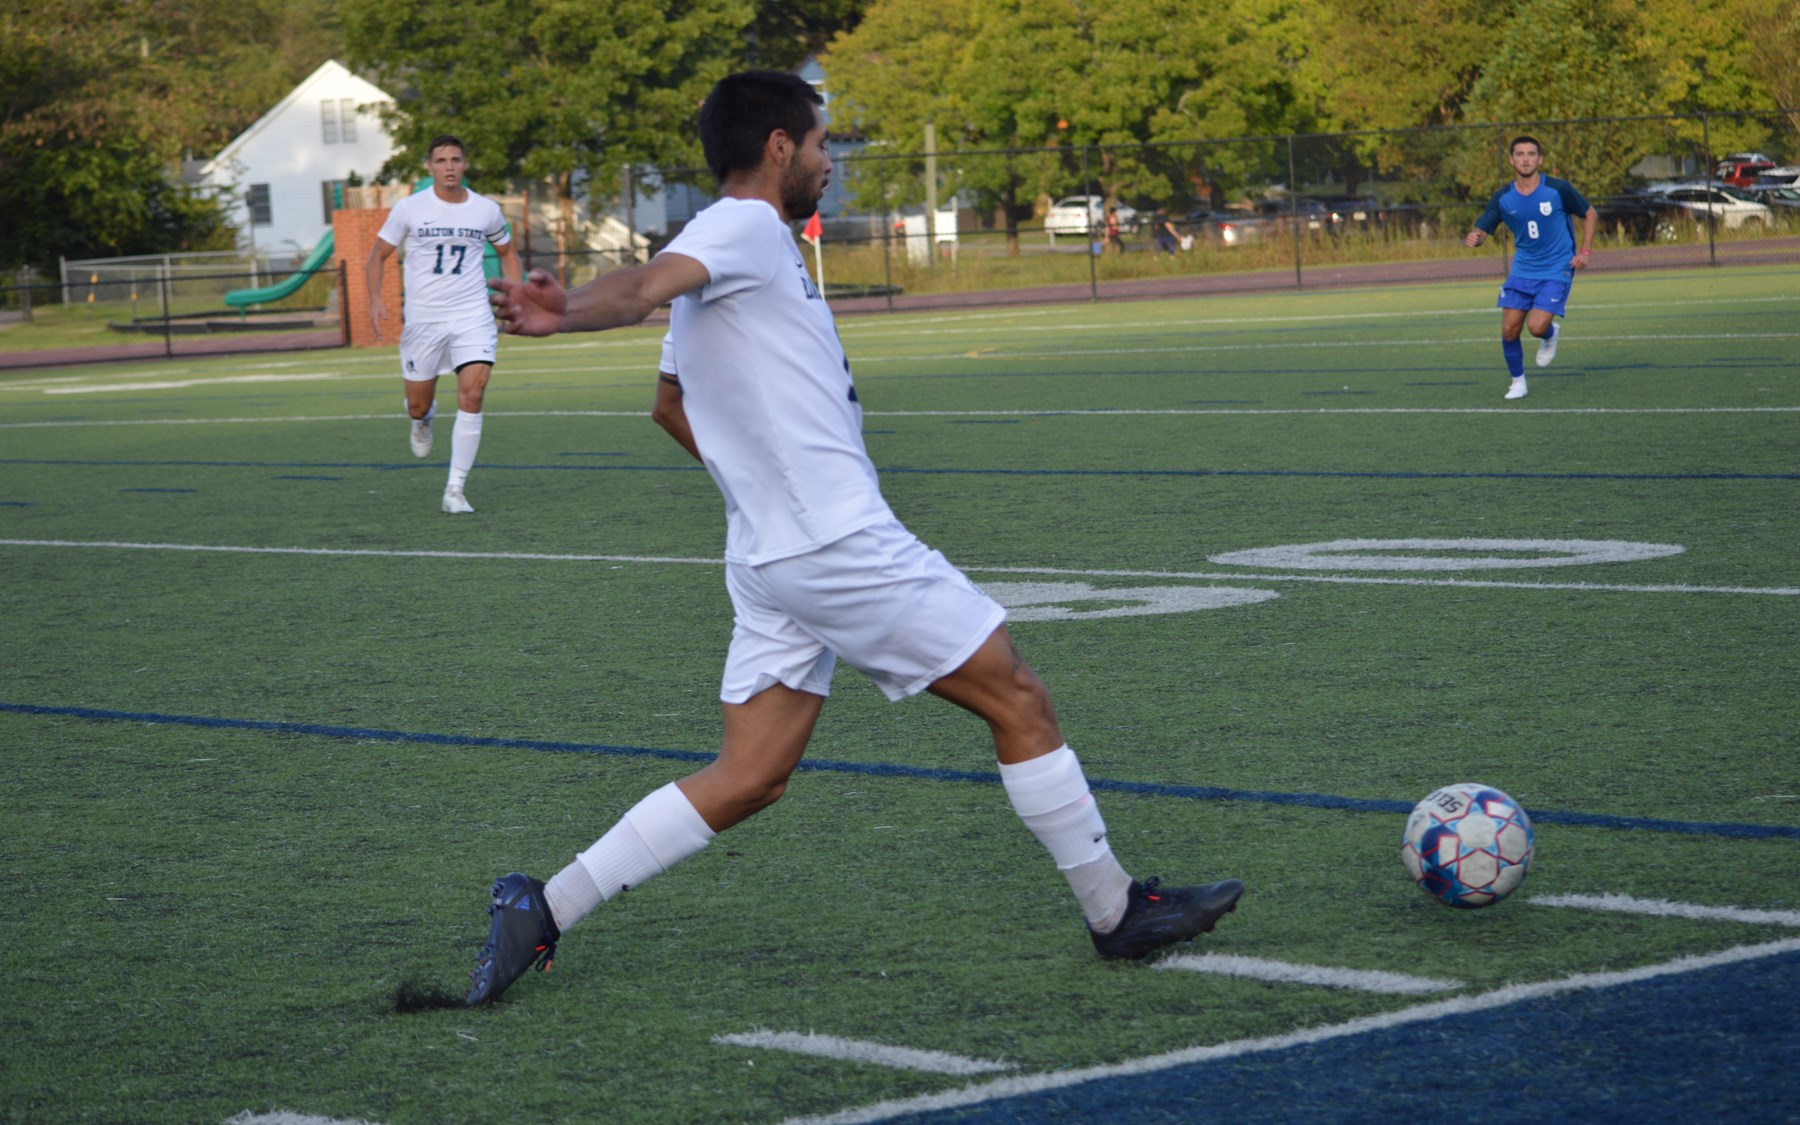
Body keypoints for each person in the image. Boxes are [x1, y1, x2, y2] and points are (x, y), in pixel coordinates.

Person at [466, 70, 1243, 1005]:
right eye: (824, 144)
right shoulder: (744, 224)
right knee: (1020, 699)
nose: (830, 163)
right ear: (780, 147)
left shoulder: (748, 255)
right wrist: (569, 309)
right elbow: (637, 286)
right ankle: (1117, 913)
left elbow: (671, 402)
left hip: (772, 551)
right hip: (834, 544)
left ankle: (543, 906)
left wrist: (761, 493)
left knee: (750, 775)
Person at [365, 135, 522, 513]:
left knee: (473, 392)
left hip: (472, 315)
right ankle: (423, 419)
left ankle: (455, 490)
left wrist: (517, 296)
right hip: (424, 320)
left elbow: (508, 253)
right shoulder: (410, 209)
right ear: (430, 166)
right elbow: (377, 255)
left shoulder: (486, 209)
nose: (449, 167)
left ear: (465, 164)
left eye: (455, 159)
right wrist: (375, 300)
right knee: (418, 406)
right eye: (441, 160)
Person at [1463, 135, 1597, 401]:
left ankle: (1549, 334)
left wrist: (1585, 252)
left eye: (1531, 154)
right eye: (1520, 154)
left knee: (1536, 327)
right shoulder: (1503, 198)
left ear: (1540, 159)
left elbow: (1590, 213)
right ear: (1512, 159)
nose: (1526, 159)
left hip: (1557, 267)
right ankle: (1518, 382)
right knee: (1509, 329)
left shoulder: (1559, 189)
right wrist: (1475, 239)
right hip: (1523, 269)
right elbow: (1482, 232)